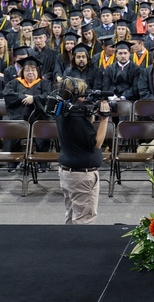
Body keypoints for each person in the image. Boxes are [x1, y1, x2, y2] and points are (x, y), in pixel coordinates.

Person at [55, 77, 110, 225]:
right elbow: (96, 143)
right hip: (81, 177)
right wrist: (104, 119)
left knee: (72, 217)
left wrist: (90, 113)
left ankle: (68, 246)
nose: (85, 97)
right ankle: (78, 247)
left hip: (68, 173)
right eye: (82, 94)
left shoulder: (63, 110)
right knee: (84, 221)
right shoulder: (76, 119)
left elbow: (85, 130)